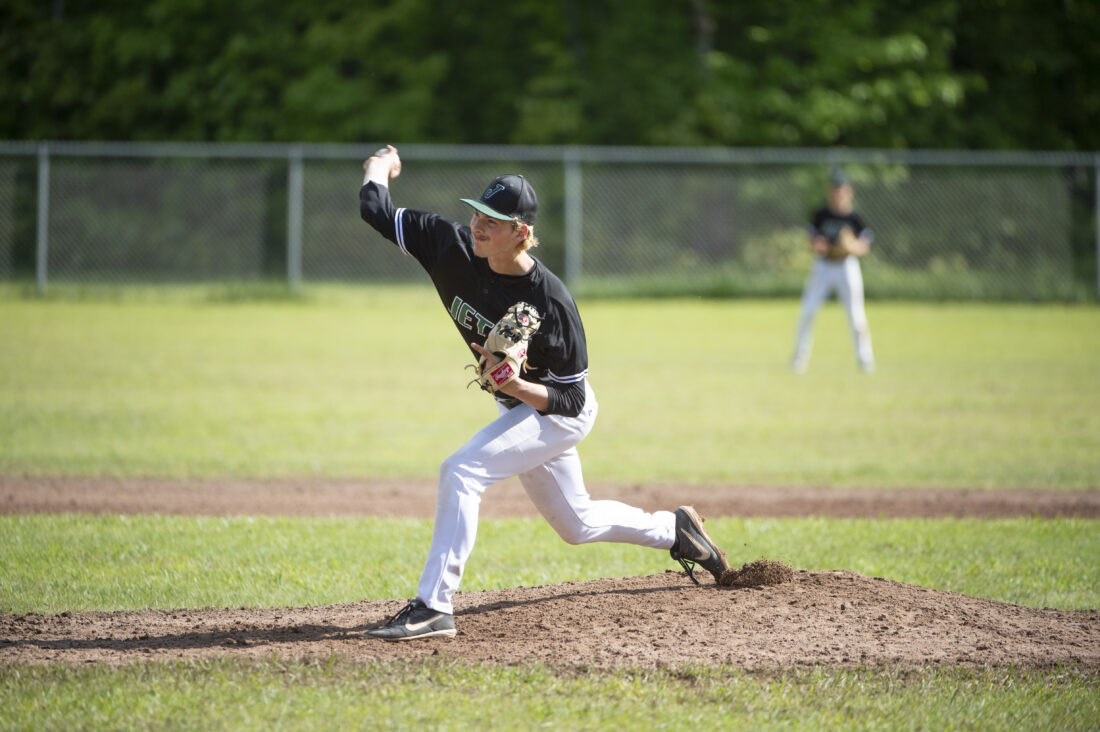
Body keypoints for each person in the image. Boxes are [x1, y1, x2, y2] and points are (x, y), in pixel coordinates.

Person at [358, 145, 730, 640]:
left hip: (558, 413)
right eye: (477, 213)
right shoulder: (448, 245)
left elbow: (573, 402)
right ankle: (675, 530)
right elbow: (376, 209)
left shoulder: (551, 300)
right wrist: (380, 165)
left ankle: (433, 607)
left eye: (493, 220)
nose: (477, 225)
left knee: (462, 470)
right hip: (517, 408)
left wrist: (515, 385)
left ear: (521, 232)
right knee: (577, 524)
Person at [790, 169, 876, 373]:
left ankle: (865, 360)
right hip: (823, 266)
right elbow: (812, 239)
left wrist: (851, 246)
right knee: (808, 312)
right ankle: (799, 359)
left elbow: (864, 246)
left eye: (841, 189)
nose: (837, 193)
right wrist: (817, 244)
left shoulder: (855, 219)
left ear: (849, 192)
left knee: (856, 316)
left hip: (847, 267)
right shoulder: (821, 215)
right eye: (834, 189)